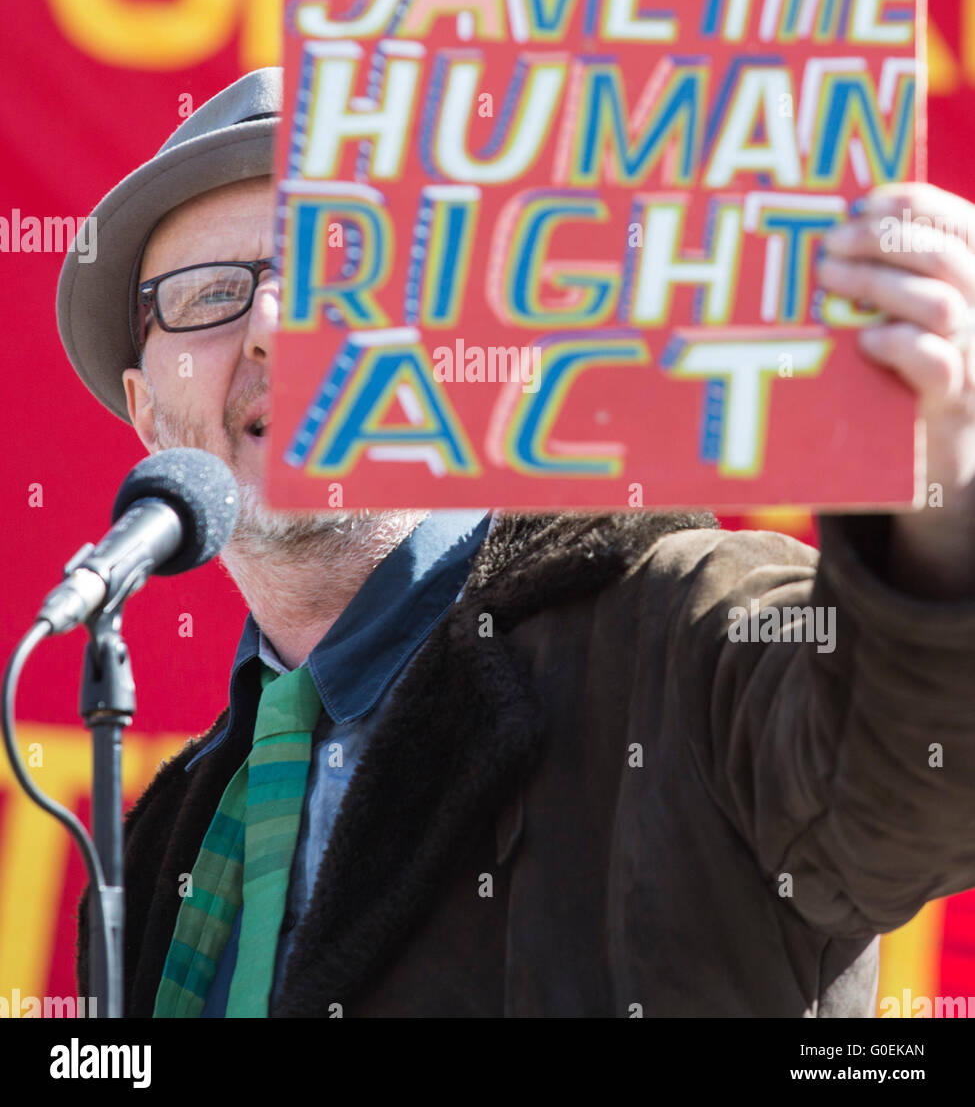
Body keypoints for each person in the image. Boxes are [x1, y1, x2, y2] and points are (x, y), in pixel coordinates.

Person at [59, 68, 975, 1018]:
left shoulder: (683, 632)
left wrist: (951, 497)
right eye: (210, 295)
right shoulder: (157, 852)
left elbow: (914, 786)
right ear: (147, 413)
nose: (273, 330)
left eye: (344, 268)